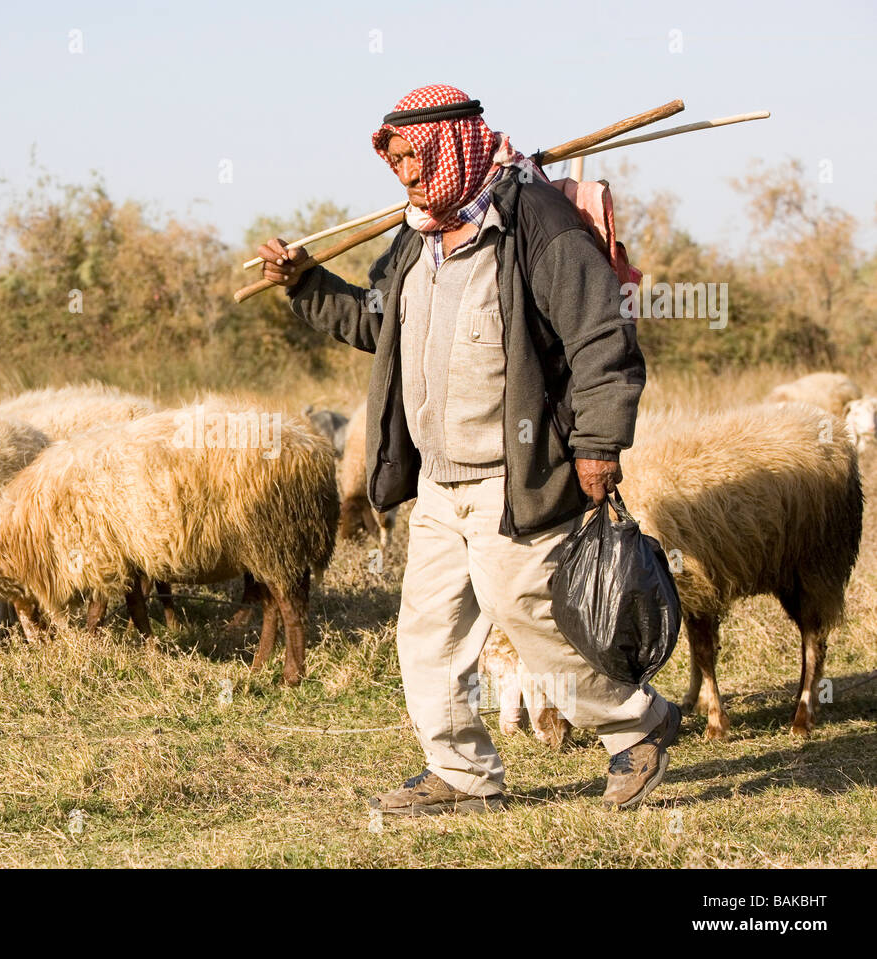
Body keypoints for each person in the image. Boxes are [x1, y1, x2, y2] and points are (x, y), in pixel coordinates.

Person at [255, 84, 680, 814]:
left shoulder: (533, 224)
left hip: (517, 475)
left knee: (531, 614)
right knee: (427, 631)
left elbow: (601, 333)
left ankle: (636, 727)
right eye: (396, 167)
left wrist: (599, 445)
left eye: (415, 162)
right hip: (440, 484)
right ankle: (460, 773)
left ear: (453, 144)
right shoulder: (416, 240)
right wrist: (305, 284)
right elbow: (373, 323)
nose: (407, 178)